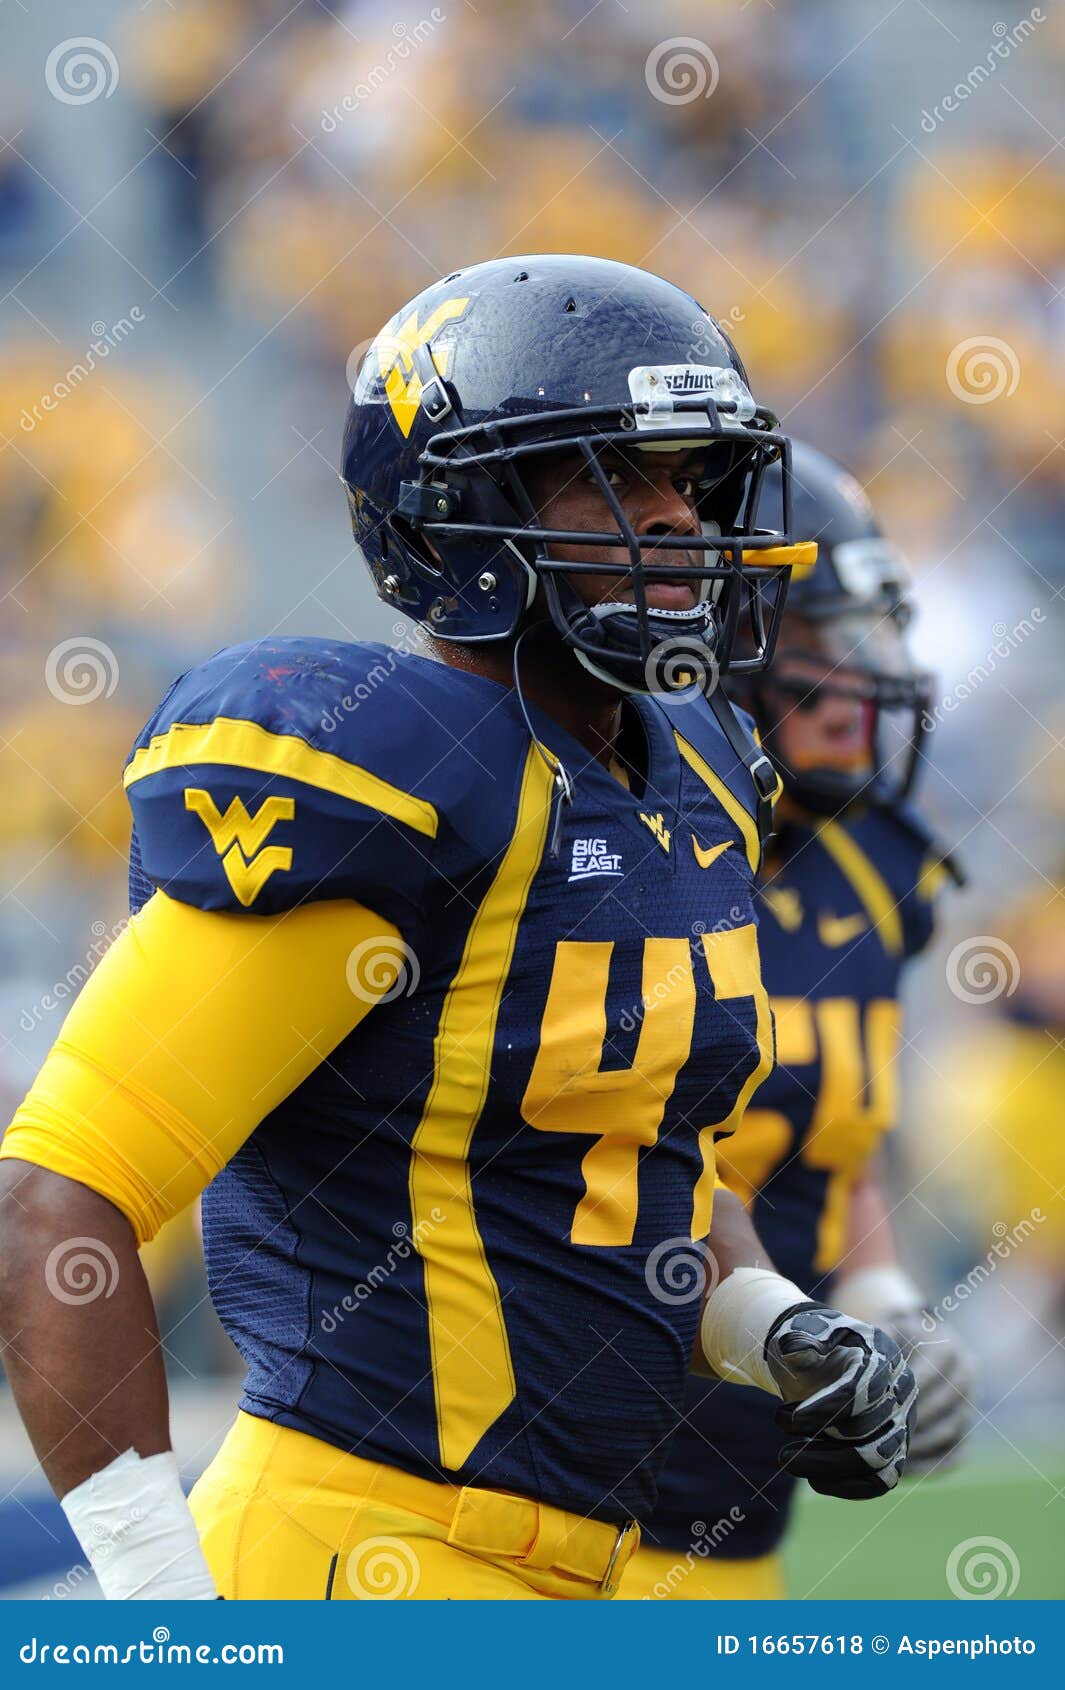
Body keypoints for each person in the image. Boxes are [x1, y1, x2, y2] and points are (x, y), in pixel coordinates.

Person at [0, 259, 915, 1602]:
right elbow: (54, 1203)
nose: (673, 521)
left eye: (685, 479)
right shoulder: (393, 768)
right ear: (459, 515)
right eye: (613, 481)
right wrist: (158, 1597)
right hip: (354, 1553)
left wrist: (778, 1329)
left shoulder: (700, 774)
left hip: (596, 1580)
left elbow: (635, 1164)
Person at [619, 440, 973, 1601]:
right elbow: (623, 1152)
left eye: (868, 637)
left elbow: (836, 1149)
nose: (864, 682)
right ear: (719, 648)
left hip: (750, 1498)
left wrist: (882, 1299)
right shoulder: (631, 854)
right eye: (822, 643)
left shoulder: (878, 870)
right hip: (584, 1489)